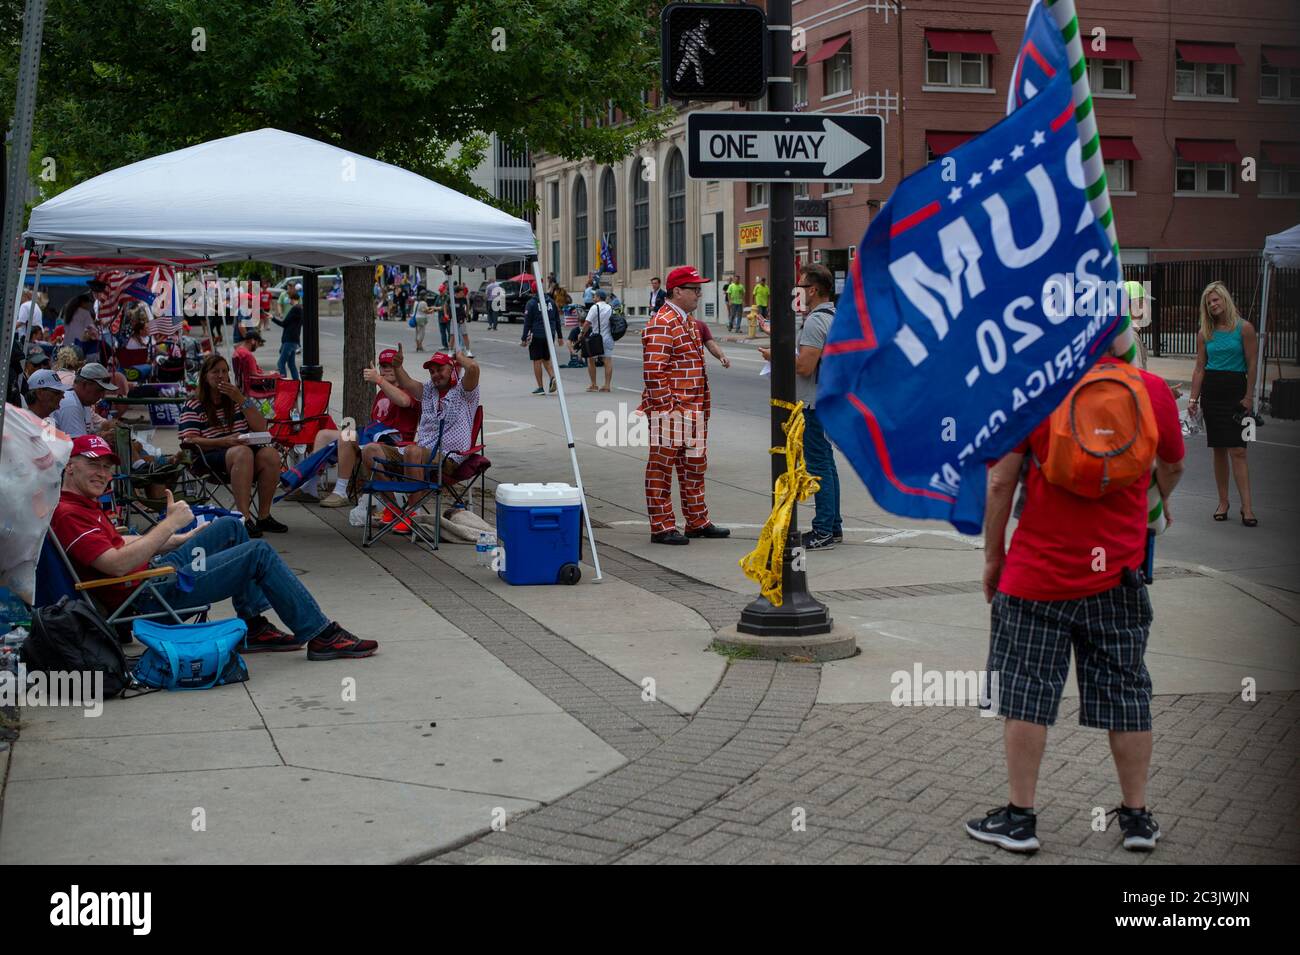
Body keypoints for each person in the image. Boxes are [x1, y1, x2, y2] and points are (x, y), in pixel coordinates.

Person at [971, 345, 1186, 855]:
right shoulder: (1151, 390)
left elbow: (1001, 481)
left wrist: (993, 559)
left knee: (1026, 691)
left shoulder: (1034, 385)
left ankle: (1020, 818)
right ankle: (1137, 818)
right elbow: (1173, 466)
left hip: (1037, 575)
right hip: (1118, 573)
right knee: (1127, 693)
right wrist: (1150, 501)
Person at [53, 434, 378, 660]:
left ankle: (253, 627)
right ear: (70, 466)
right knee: (257, 553)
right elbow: (116, 565)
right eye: (93, 464)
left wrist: (180, 539)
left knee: (229, 527)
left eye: (107, 467)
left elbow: (120, 544)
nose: (103, 473)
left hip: (153, 577)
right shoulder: (69, 514)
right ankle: (321, 635)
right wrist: (169, 524)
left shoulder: (82, 503)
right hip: (149, 597)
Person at [641, 265, 729, 545]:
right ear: (677, 291)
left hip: (693, 409)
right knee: (662, 468)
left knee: (694, 467)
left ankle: (697, 520)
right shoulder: (662, 321)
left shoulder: (688, 322)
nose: (699, 295)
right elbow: (654, 371)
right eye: (694, 290)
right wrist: (667, 410)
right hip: (672, 410)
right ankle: (662, 525)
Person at [759, 264, 840, 549]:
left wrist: (775, 357)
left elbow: (804, 366)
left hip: (813, 403)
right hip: (827, 399)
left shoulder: (816, 321)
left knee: (818, 466)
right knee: (827, 464)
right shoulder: (834, 315)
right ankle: (834, 526)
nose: (799, 290)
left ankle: (823, 531)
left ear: (814, 290)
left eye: (802, 286)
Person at [292, 348, 420, 508]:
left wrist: (380, 381)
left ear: (399, 367)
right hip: (374, 439)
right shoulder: (381, 393)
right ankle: (310, 487)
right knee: (323, 435)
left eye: (391, 365)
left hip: (395, 446)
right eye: (383, 365)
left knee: (347, 435)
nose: (387, 369)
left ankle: (340, 491)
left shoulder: (409, 388)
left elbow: (404, 401)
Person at [178, 354, 287, 537]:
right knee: (242, 453)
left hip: (241, 453)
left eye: (224, 372)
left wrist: (241, 399)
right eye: (215, 372)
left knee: (270, 455)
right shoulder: (194, 404)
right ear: (205, 376)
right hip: (208, 455)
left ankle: (264, 516)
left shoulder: (237, 401)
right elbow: (188, 441)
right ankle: (242, 518)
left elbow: (261, 427)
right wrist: (224, 441)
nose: (221, 376)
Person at [1189, 282, 1258, 526]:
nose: (1213, 305)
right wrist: (1193, 399)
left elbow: (1251, 365)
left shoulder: (1245, 328)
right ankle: (1223, 501)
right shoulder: (1204, 333)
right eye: (1209, 303)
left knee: (1238, 449)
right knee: (1218, 449)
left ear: (1225, 300)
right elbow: (1199, 368)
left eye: (1216, 300)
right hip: (1212, 394)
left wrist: (1249, 397)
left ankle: (1247, 508)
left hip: (1237, 393)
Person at [390, 349, 481, 513]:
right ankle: (392, 508)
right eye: (432, 371)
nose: (435, 375)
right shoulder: (428, 390)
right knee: (371, 451)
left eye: (440, 369)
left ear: (452, 368)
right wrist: (397, 366)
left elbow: (473, 368)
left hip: (449, 456)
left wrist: (460, 358)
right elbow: (407, 383)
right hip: (423, 452)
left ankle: (413, 516)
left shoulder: (464, 390)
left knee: (412, 451)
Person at [51, 362, 119, 439]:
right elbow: (77, 445)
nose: (102, 396)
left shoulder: (82, 402)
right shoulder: (70, 404)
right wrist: (102, 438)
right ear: (84, 385)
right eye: (99, 390)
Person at [521, 288, 561, 395]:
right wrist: (560, 337)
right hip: (550, 333)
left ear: (533, 291)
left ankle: (540, 387)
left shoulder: (531, 303)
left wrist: (524, 338)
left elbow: (527, 322)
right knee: (546, 358)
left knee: (537, 360)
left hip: (537, 333)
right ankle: (553, 377)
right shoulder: (551, 302)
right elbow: (557, 319)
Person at [580, 290, 616, 392]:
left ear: (599, 297)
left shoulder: (595, 307)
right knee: (607, 361)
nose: (593, 298)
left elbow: (587, 323)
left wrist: (581, 333)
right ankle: (607, 385)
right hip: (609, 337)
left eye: (594, 296)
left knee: (591, 360)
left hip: (596, 338)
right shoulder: (610, 307)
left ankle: (594, 384)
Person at [231, 330, 277, 396]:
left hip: (242, 386)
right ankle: (267, 406)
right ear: (253, 341)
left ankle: (266, 405)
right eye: (258, 343)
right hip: (252, 387)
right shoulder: (247, 355)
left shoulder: (238, 351)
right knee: (285, 385)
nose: (258, 346)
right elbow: (254, 374)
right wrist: (270, 375)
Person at [272, 285, 302, 380]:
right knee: (291, 364)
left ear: (292, 299)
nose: (288, 301)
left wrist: (272, 318)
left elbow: (284, 323)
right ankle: (296, 384)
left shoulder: (294, 309)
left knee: (281, 363)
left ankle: (284, 384)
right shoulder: (300, 310)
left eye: (289, 299)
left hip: (289, 340)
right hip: (294, 340)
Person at [1123, 280, 1153, 370]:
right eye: (1145, 301)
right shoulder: (1131, 336)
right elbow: (1138, 375)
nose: (1148, 305)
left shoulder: (1123, 331)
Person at [62, 292, 98, 359]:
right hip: (78, 346)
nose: (88, 306)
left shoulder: (68, 312)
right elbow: (93, 330)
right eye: (88, 303)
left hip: (66, 345)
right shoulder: (85, 313)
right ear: (83, 303)